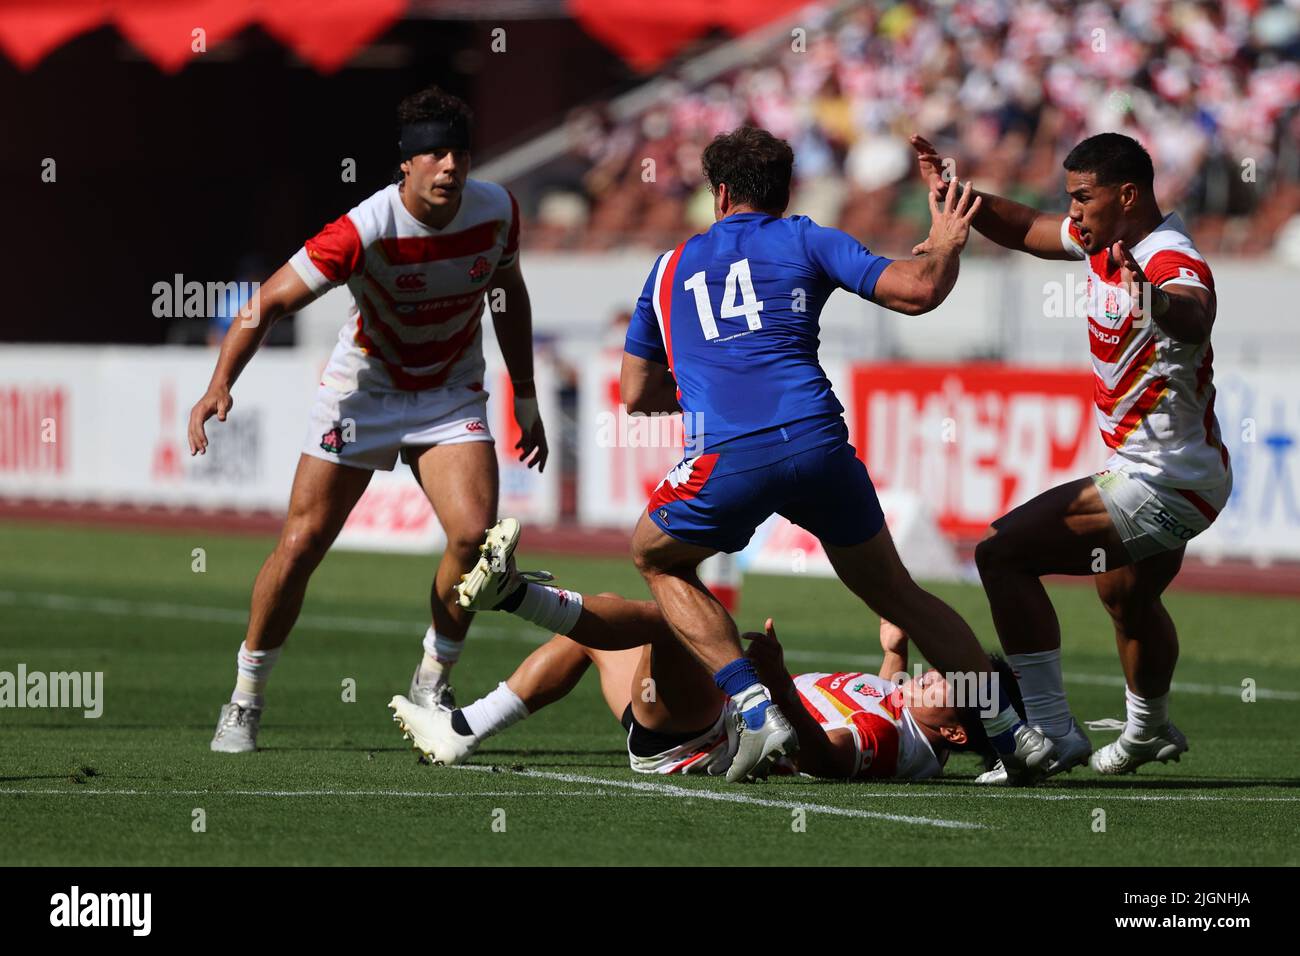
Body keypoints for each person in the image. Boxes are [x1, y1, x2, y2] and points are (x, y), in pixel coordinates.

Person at [616, 127, 1054, 782]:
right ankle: (1010, 733)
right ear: (784, 191)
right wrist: (947, 241)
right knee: (900, 595)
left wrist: (708, 386)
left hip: (728, 454)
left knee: (654, 556)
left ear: (721, 193)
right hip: (818, 442)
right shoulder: (805, 238)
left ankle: (756, 708)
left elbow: (635, 393)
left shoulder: (670, 266)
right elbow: (918, 291)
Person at [192, 85, 548, 753]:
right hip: (364, 393)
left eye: (460, 154)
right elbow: (264, 302)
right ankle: (245, 697)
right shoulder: (365, 228)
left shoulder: (497, 209)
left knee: (476, 538)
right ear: (406, 166)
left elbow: (508, 292)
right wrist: (219, 385)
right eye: (435, 154)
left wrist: (524, 397)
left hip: (449, 394)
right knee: (301, 547)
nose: (450, 167)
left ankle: (431, 681)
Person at [910, 131, 1231, 780]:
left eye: (1084, 198)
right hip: (1180, 472)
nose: (1074, 211)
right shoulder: (1102, 239)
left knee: (1001, 555)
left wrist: (1154, 299)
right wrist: (955, 195)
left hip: (1162, 481)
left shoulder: (1170, 260)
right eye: (1072, 198)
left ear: (1128, 195)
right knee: (1127, 598)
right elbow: (1026, 227)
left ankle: (1053, 732)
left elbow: (1193, 315)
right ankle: (1147, 730)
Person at [388, 521, 1023, 781]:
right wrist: (894, 648)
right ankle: (460, 730)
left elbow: (830, 756)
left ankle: (514, 594)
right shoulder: (907, 712)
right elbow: (884, 699)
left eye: (949, 685)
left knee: (674, 618)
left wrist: (772, 684)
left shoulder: (898, 740)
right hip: (703, 717)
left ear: (961, 736)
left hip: (706, 738)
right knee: (591, 632)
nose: (938, 675)